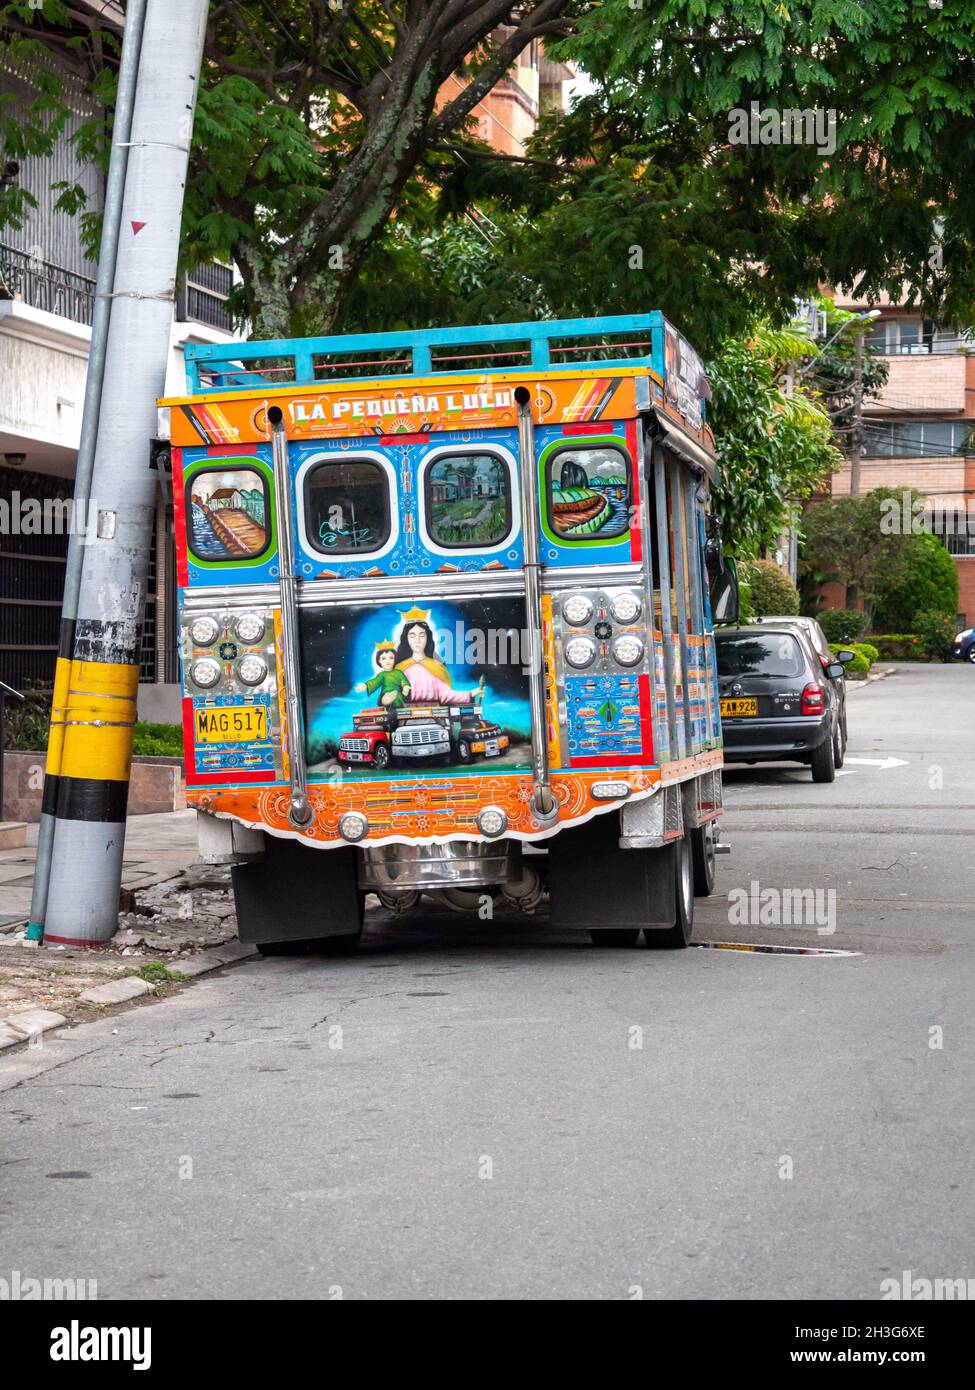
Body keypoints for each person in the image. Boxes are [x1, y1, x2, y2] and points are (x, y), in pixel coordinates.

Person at [393, 608, 483, 705]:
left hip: (436, 714)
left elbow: (445, 695)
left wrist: (471, 694)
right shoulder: (400, 669)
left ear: (428, 638)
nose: (417, 640)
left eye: (422, 635)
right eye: (412, 635)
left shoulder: (436, 667)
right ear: (406, 639)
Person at [356, 642, 411, 724]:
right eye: (384, 658)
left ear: (395, 659)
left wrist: (405, 687)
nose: (387, 661)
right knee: (387, 711)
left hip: (398, 698)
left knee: (399, 715)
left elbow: (404, 681)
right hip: (385, 697)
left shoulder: (398, 673)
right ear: (379, 661)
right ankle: (387, 701)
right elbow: (375, 682)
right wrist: (366, 685)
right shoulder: (382, 675)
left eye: (391, 658)